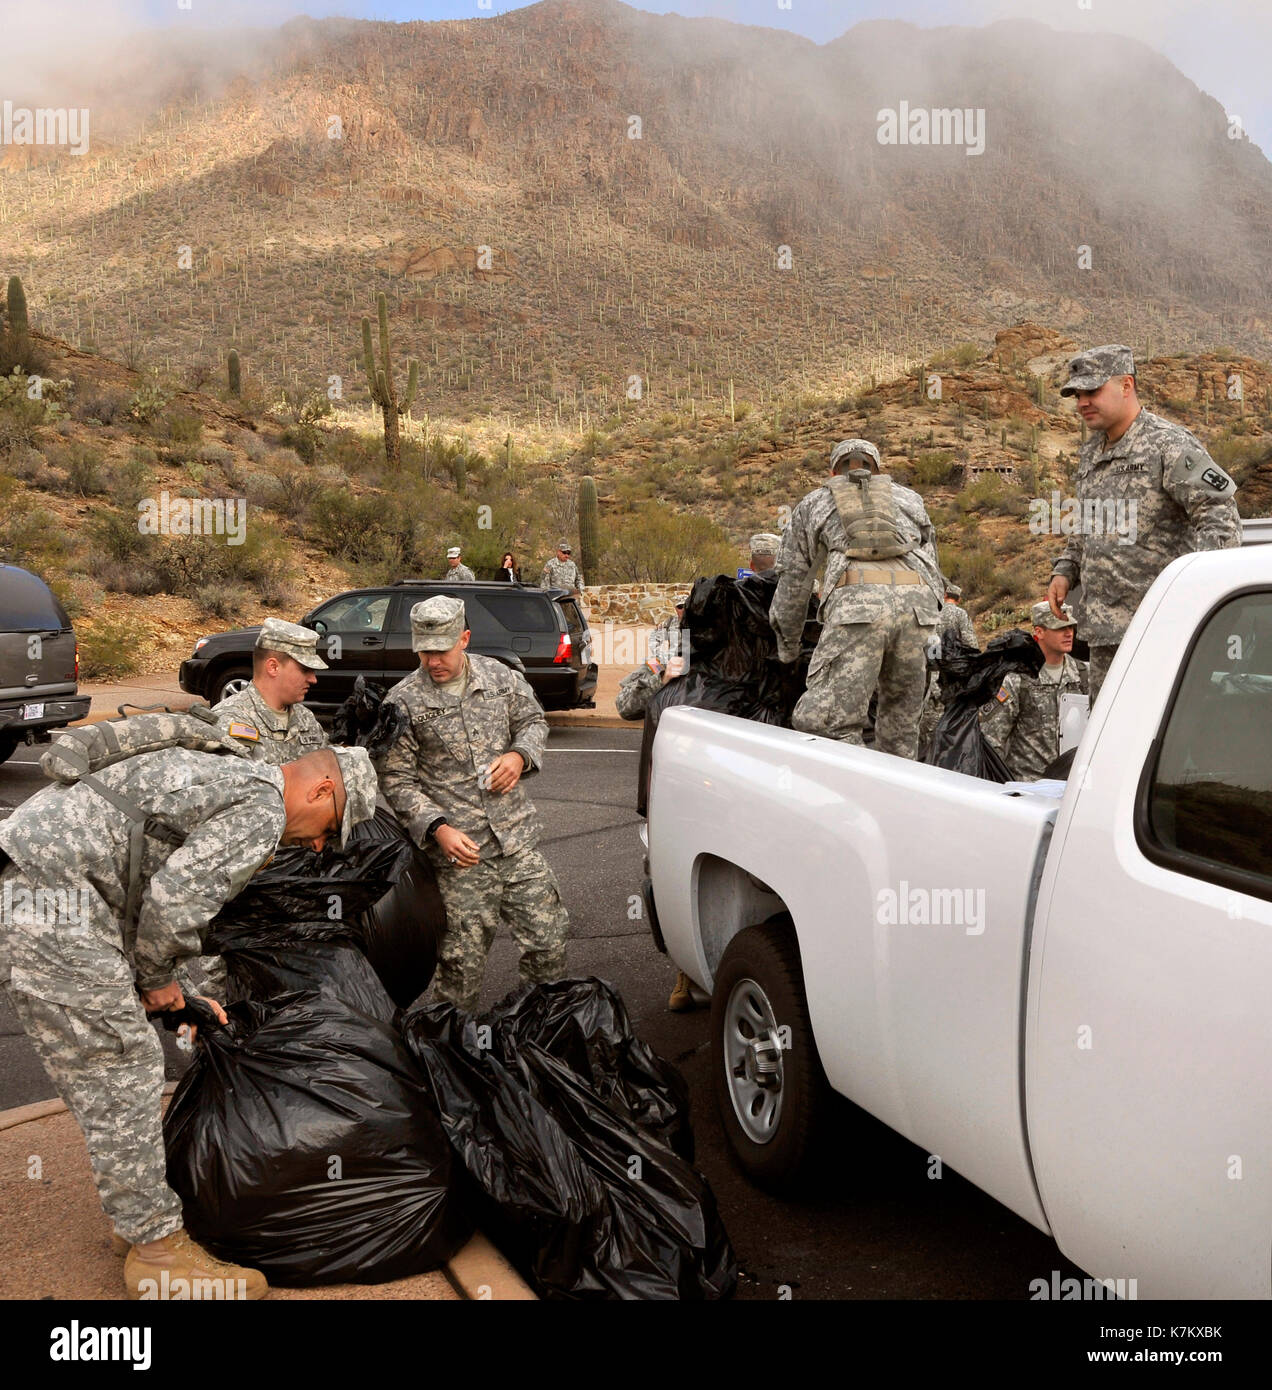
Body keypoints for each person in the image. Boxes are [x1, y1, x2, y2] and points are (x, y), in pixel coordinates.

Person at [0, 741, 377, 1299]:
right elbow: (176, 904)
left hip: (54, 886)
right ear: (322, 789)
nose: (320, 843)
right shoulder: (263, 808)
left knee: (112, 1065)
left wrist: (185, 997)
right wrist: (157, 982)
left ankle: (139, 1219)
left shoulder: (237, 776)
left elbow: (158, 886)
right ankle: (157, 1252)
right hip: (55, 900)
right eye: (331, 826)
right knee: (119, 1068)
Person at [376, 596, 569, 1013]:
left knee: (548, 944)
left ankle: (538, 1033)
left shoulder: (499, 677)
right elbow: (395, 778)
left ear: (464, 639)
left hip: (515, 843)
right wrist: (437, 828)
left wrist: (520, 756)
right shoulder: (402, 702)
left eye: (441, 651)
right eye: (424, 652)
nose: (432, 662)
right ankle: (455, 1056)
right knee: (460, 971)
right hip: (460, 857)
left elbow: (534, 721)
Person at [1047, 344, 1240, 705]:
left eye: (1093, 390)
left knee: (1161, 742)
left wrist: (1195, 595)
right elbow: (1089, 523)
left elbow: (1220, 519)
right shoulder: (1092, 452)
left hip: (1159, 632)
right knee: (1112, 743)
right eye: (1077, 394)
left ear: (1126, 385)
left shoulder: (1168, 444)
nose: (1083, 402)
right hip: (1105, 634)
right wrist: (1066, 569)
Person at [769, 438, 943, 755]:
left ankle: (844, 792)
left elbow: (794, 581)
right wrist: (934, 627)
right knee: (902, 731)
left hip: (858, 609)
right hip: (920, 612)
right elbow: (934, 567)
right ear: (877, 468)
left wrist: (788, 648)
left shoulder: (815, 502)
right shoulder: (911, 499)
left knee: (826, 722)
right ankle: (896, 797)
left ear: (833, 470)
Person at [981, 601, 1089, 780]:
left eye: (1070, 626)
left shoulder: (1083, 675)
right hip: (1029, 789)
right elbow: (992, 741)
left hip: (1073, 787)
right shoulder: (1018, 678)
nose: (1069, 633)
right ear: (1039, 632)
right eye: (1060, 628)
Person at [212, 618, 328, 763]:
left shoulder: (306, 718)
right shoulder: (229, 721)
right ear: (273, 667)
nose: (313, 679)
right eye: (305, 669)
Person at [937, 582, 977, 650]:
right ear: (959, 600)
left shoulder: (935, 613)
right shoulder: (961, 613)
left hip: (936, 656)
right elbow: (968, 638)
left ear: (945, 596)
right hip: (955, 656)